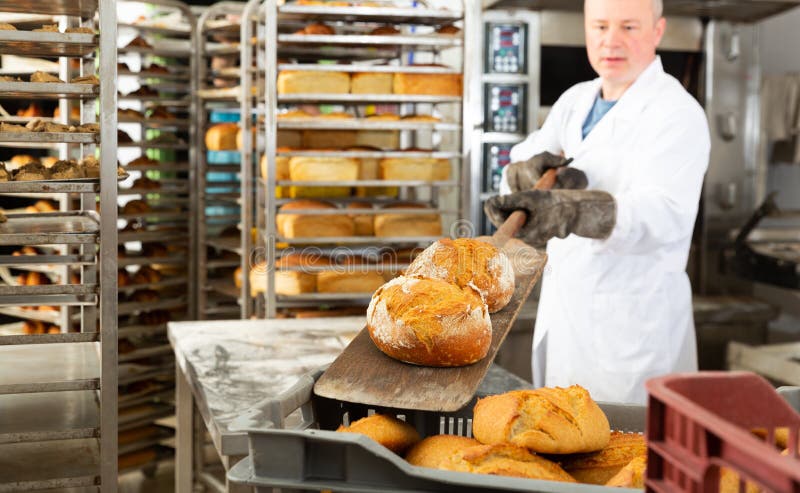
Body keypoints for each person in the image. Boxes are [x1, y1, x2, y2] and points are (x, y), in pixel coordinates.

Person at [485, 0, 710, 404]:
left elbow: (664, 217)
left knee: (624, 459)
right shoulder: (576, 100)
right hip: (568, 319)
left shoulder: (677, 113)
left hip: (631, 335)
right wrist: (526, 173)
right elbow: (516, 165)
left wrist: (574, 210)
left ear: (657, 31)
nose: (611, 41)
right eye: (600, 26)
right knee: (562, 444)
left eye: (628, 27)